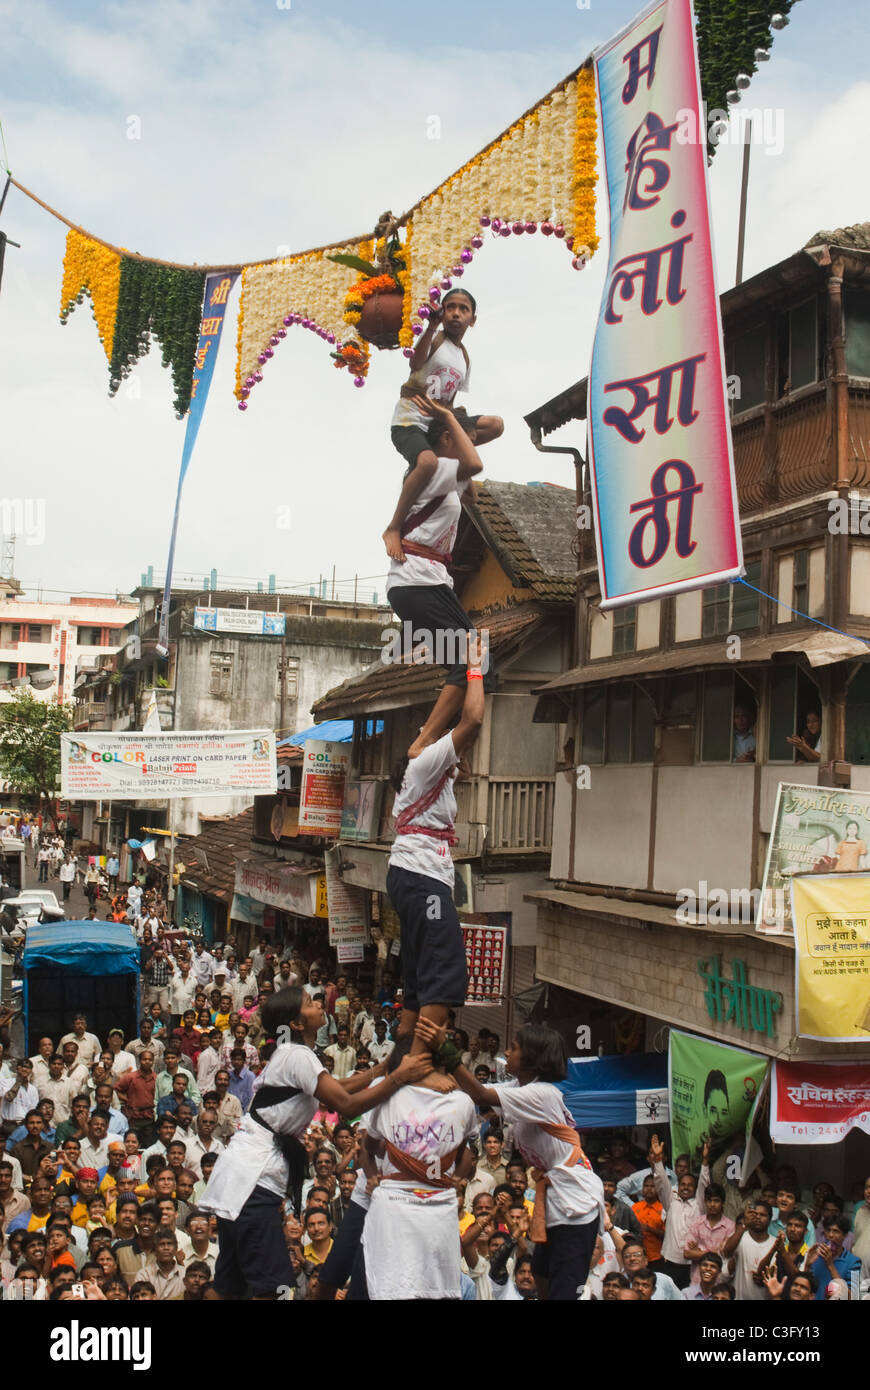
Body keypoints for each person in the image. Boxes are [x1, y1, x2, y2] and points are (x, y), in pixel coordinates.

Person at [197, 987, 433, 1299]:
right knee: (277, 1287)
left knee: (229, 1285)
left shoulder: (293, 1055)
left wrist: (384, 1069)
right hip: (252, 1182)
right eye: (309, 1003)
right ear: (296, 1023)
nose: (319, 1004)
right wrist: (398, 1077)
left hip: (239, 1179)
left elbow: (339, 1086)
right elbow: (346, 1104)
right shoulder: (298, 1055)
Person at [417, 1017, 604, 1300]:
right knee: (541, 1275)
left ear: (532, 1058)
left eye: (513, 1048)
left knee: (563, 1290)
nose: (507, 1053)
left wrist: (447, 1049)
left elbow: (479, 1092)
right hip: (555, 1200)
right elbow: (472, 1091)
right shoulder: (519, 1087)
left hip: (576, 1204)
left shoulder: (541, 1093)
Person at [387, 632, 485, 1058]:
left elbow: (460, 726)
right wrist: (477, 666)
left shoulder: (434, 772)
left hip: (413, 878)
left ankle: (401, 1054)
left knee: (419, 971)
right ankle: (420, 1062)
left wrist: (465, 672)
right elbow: (472, 722)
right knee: (446, 965)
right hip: (423, 881)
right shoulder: (424, 764)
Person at [360, 1035, 477, 1301]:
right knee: (437, 1291)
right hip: (439, 1208)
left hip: (394, 1205)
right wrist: (456, 1179)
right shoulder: (463, 1103)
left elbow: (368, 1146)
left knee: (391, 1289)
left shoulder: (385, 1099)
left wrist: (377, 1173)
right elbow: (465, 1153)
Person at [385, 286, 501, 548]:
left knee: (495, 425)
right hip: (411, 420)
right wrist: (429, 329)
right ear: (442, 312)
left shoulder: (464, 358)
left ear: (473, 318)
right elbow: (415, 365)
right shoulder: (435, 339)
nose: (456, 314)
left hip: (439, 420)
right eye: (450, 307)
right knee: (426, 464)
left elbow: (451, 398)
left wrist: (454, 431)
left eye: (463, 309)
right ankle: (393, 527)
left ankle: (441, 456)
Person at [722, 1200, 776, 1301]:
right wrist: (744, 1225)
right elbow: (726, 1252)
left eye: (762, 1215)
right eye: (754, 1214)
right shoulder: (740, 1237)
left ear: (769, 1219)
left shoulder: (775, 1244)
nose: (758, 1217)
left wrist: (763, 1279)